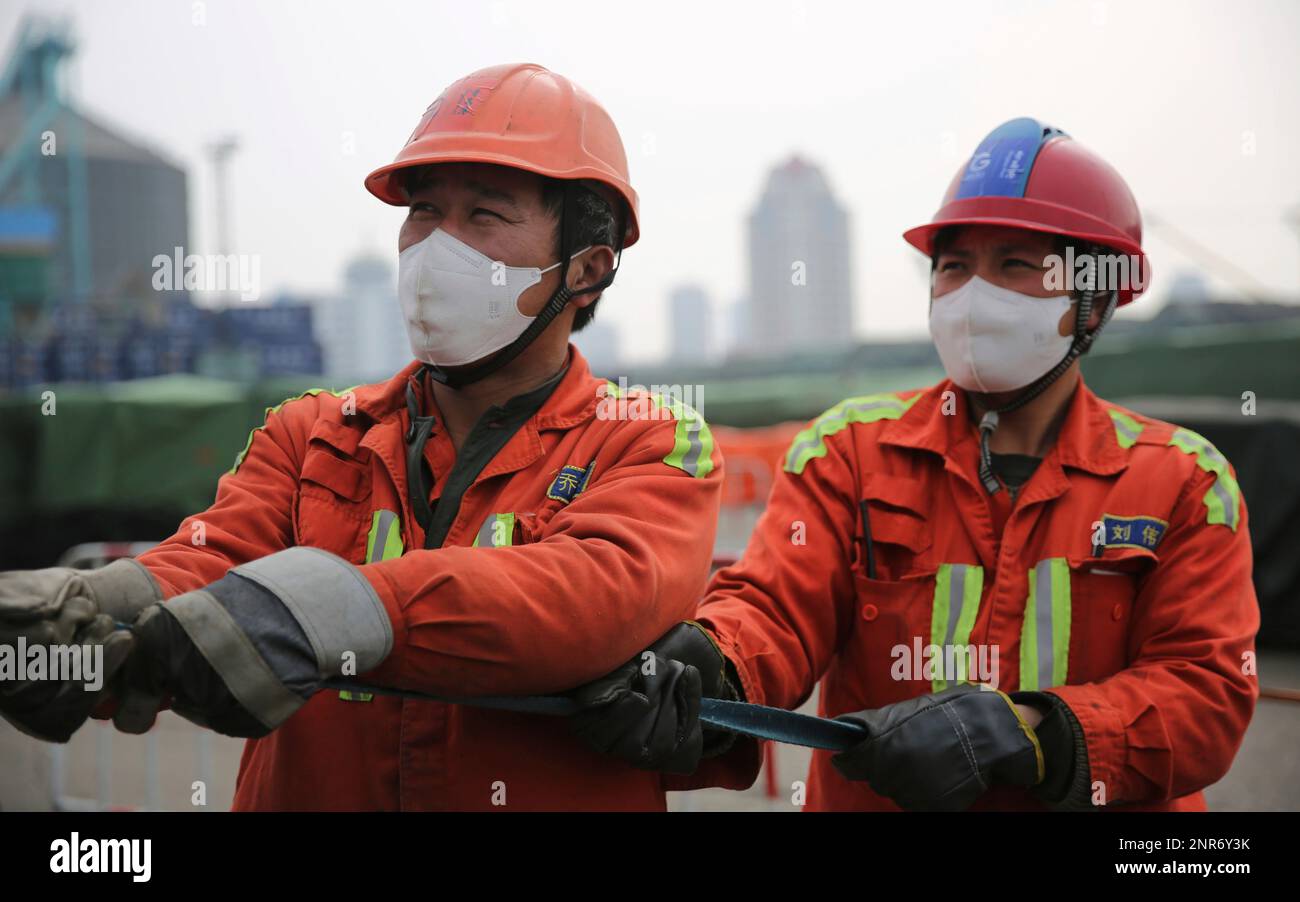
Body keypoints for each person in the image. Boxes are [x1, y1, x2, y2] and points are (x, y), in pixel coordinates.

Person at [0, 63, 723, 811]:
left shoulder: (650, 441)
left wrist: (333, 611)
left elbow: (586, 600)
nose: (435, 248)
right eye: (423, 212)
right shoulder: (312, 431)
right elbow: (213, 558)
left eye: (484, 215)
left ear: (589, 267)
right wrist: (92, 599)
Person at [571, 118, 1259, 811]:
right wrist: (717, 663)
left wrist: (1032, 732)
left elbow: (1207, 694)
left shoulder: (1185, 483)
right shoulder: (849, 452)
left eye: (1014, 264)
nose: (971, 296)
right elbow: (776, 607)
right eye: (954, 267)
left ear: (1095, 299)